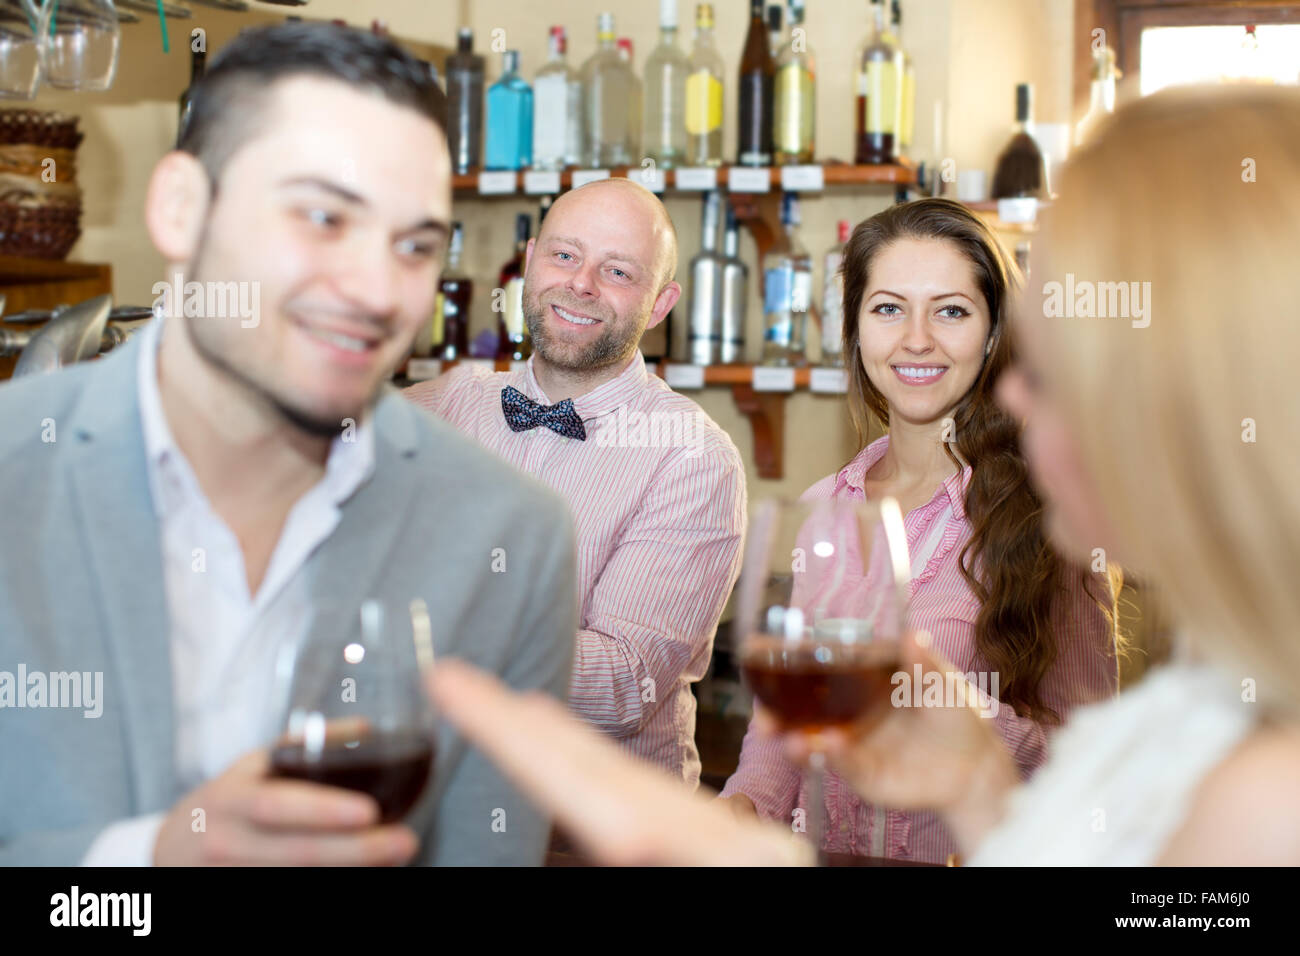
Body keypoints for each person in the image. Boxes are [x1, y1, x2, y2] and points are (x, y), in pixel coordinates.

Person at [421, 83, 1300, 866]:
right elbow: (780, 748)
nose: (1024, 390)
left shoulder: (1257, 785)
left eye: (1061, 356)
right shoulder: (831, 507)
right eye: (888, 310)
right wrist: (954, 787)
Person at [0, 23, 576, 866]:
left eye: (414, 245)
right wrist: (143, 866)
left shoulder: (512, 537)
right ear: (180, 209)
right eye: (322, 216)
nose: (377, 291)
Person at [718, 198, 1120, 863]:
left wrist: (949, 712)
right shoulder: (825, 507)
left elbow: (1096, 769)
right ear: (854, 330)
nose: (916, 339)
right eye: (888, 308)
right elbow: (782, 725)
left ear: (995, 334)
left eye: (952, 311)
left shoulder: (1056, 516)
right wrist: (744, 804)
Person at [404, 179, 745, 787]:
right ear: (530, 262)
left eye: (617, 271)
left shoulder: (692, 458)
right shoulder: (441, 407)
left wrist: (424, 624)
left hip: (598, 842)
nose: (580, 283)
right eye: (564, 256)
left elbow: (619, 687)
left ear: (660, 304)